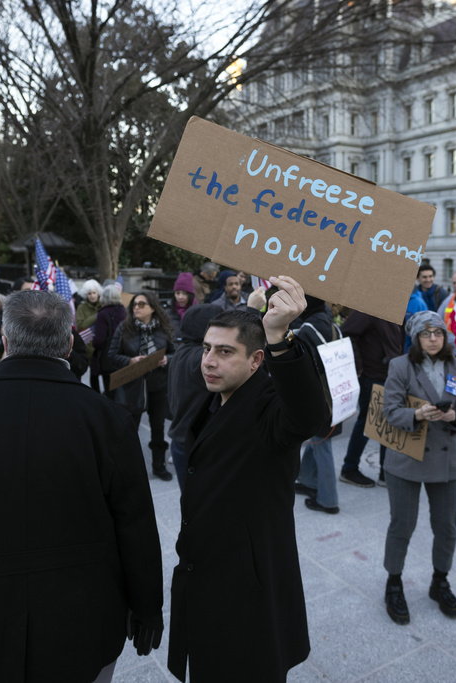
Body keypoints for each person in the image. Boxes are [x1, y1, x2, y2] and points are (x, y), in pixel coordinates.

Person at [0, 290, 164, 683]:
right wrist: (147, 606)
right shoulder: (107, 420)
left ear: (5, 341)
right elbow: (136, 524)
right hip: (81, 624)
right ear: (70, 343)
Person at [167, 276, 330, 683]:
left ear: (257, 361)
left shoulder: (269, 405)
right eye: (207, 349)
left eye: (225, 352)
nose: (208, 361)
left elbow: (309, 416)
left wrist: (278, 336)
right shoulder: (214, 395)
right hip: (205, 577)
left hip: (249, 592)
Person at [380, 311, 456, 625]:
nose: (433, 338)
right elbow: (390, 412)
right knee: (401, 525)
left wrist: (454, 418)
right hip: (407, 458)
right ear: (416, 338)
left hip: (447, 461)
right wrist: (419, 415)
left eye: (437, 333)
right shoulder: (400, 366)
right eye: (425, 333)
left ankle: (440, 581)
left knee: (446, 527)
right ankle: (393, 582)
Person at [107, 292, 175, 481]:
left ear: (152, 308)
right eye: (134, 304)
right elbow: (111, 356)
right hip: (132, 387)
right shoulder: (124, 327)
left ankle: (159, 466)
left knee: (158, 427)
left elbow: (175, 353)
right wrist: (130, 361)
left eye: (141, 304)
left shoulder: (164, 328)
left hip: (158, 386)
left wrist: (166, 359)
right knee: (130, 428)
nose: (136, 307)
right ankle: (127, 468)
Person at [339, 309, 406, 487]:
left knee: (388, 422)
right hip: (372, 376)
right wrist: (359, 367)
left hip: (390, 375)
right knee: (367, 422)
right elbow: (346, 333)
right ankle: (349, 468)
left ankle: (386, 472)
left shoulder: (395, 309)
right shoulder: (369, 308)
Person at [294, 295, 341, 513]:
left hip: (317, 396)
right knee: (318, 439)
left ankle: (328, 500)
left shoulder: (307, 330)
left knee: (323, 446)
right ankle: (308, 481)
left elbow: (303, 368)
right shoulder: (332, 326)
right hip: (335, 393)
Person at [166, 304, 222, 492]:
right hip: (197, 446)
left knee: (192, 505)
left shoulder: (182, 351)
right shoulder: (202, 359)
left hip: (182, 441)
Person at [92, 283, 126, 397]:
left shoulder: (103, 314)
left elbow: (100, 340)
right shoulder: (124, 312)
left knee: (110, 392)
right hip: (123, 356)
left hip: (108, 359)